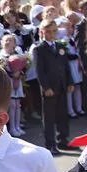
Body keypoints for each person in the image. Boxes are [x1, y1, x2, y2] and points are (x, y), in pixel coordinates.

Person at [32, 19, 76, 155]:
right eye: (48, 31)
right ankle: (50, 144)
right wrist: (46, 87)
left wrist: (70, 82)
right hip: (49, 88)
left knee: (63, 114)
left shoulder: (60, 46)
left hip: (62, 85)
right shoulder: (39, 49)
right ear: (42, 32)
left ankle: (63, 139)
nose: (52, 34)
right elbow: (39, 71)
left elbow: (66, 66)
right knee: (49, 117)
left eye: (54, 31)